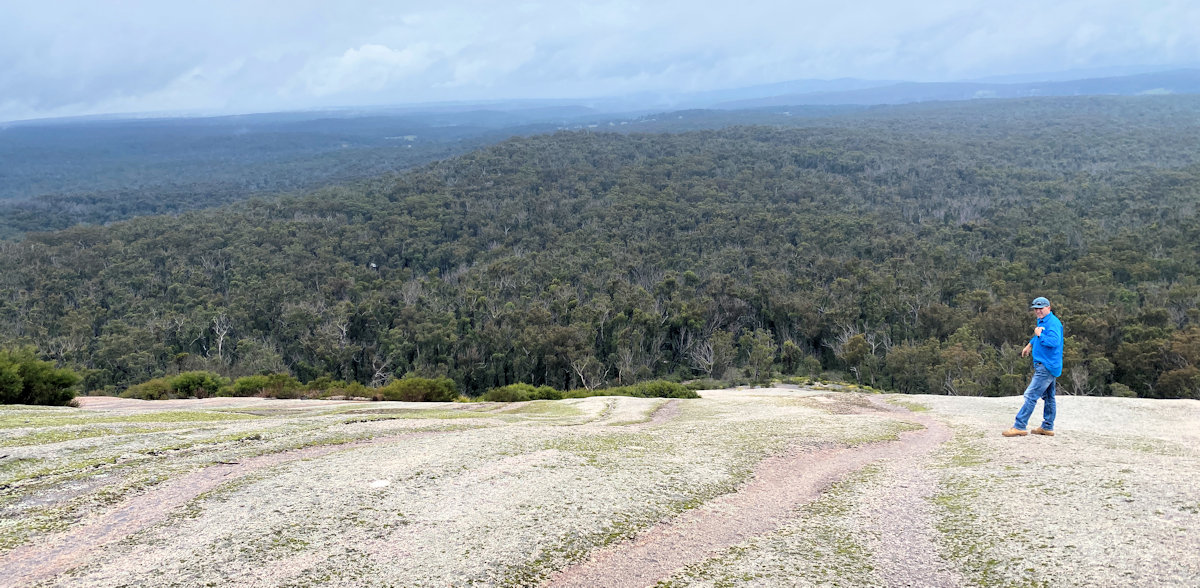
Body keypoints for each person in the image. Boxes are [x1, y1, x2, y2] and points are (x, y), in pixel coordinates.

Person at [1003, 296, 1063, 437]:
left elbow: (1053, 341)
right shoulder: (1043, 321)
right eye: (1036, 309)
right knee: (1049, 397)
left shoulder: (1053, 323)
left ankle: (1019, 426)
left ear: (1049, 308)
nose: (1038, 311)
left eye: (1041, 308)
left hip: (1046, 365)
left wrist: (1040, 335)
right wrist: (1030, 345)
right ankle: (1047, 427)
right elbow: (1038, 336)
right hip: (1049, 365)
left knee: (1030, 395)